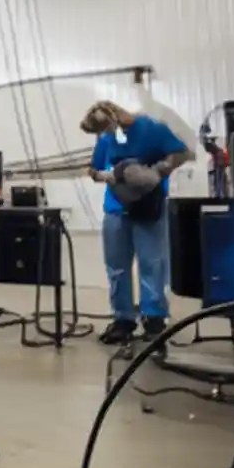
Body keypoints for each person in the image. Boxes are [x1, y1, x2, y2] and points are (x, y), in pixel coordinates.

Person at [82, 101, 193, 344]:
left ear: (116, 117)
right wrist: (104, 176)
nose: (106, 134)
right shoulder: (107, 138)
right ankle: (123, 319)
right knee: (116, 267)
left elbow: (182, 152)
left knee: (152, 264)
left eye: (107, 128)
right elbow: (93, 167)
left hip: (148, 208)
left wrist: (158, 171)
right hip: (116, 209)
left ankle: (154, 318)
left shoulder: (152, 129)